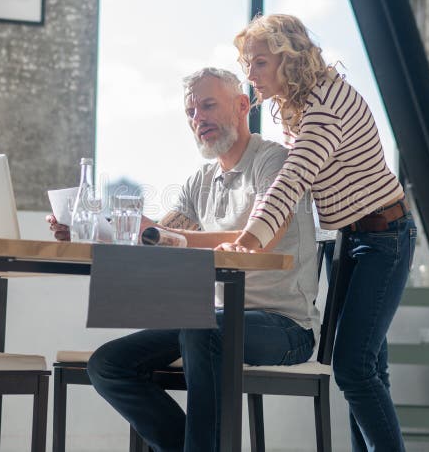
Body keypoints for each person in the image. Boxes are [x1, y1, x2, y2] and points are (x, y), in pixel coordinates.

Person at [48, 67, 320, 452]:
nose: (199, 119)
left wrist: (161, 235)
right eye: (191, 112)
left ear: (242, 105)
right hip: (212, 325)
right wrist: (85, 231)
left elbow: (256, 239)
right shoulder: (201, 182)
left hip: (284, 328)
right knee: (108, 365)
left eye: (208, 105)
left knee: (201, 330)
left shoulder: (273, 163)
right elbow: (160, 241)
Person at [218, 14, 416, 452]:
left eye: (260, 64)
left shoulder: (325, 105)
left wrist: (248, 241)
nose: (250, 76)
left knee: (353, 369)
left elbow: (292, 180)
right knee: (367, 370)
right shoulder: (297, 103)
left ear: (289, 59)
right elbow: (294, 186)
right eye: (247, 64)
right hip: (351, 239)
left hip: (385, 237)